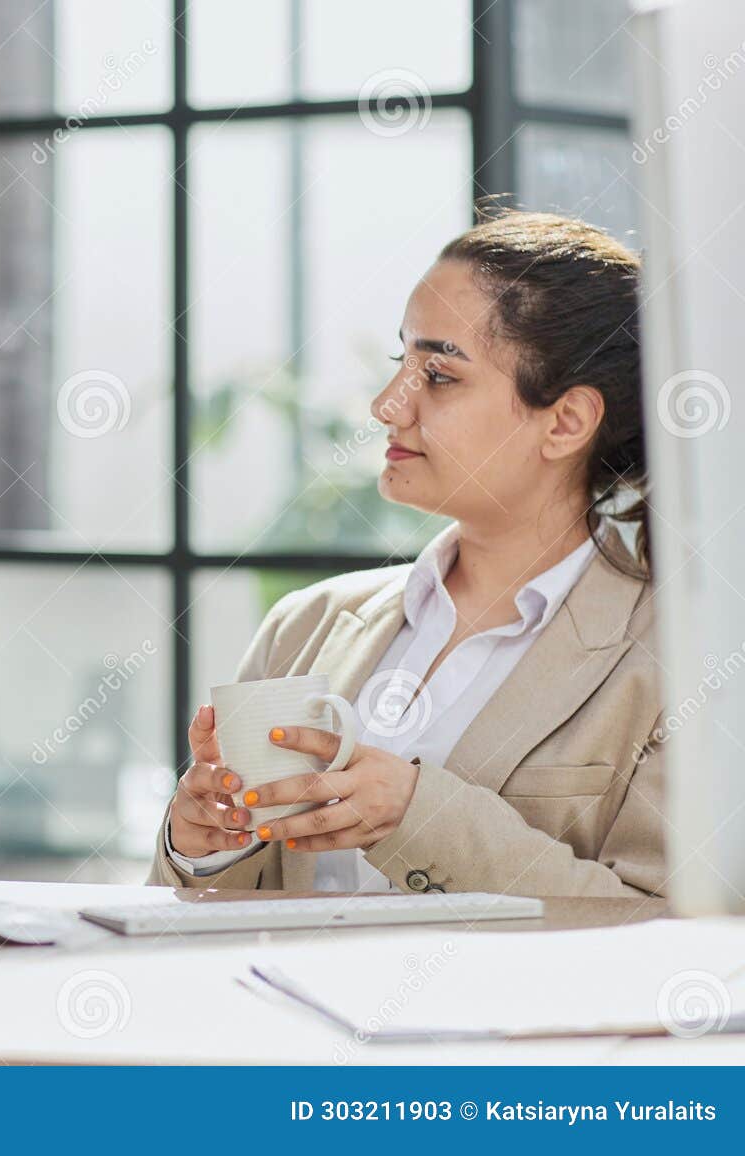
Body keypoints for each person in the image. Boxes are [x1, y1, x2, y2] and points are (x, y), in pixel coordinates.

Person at [152, 210, 663, 898]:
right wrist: (201, 848)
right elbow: (202, 910)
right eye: (402, 364)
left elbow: (671, 930)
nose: (387, 405)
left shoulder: (679, 662)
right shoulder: (307, 624)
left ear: (566, 422)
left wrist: (416, 816)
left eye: (440, 374)